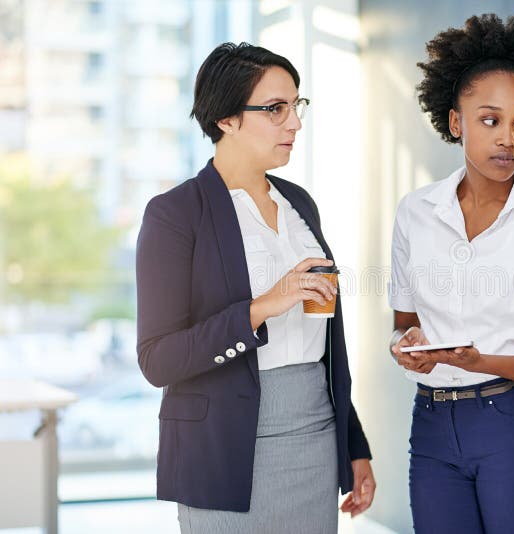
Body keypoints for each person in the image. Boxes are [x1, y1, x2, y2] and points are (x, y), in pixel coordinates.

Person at [136, 42, 374, 533]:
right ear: (225, 118)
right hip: (223, 447)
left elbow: (324, 345)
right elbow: (158, 360)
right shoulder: (175, 214)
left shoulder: (299, 205)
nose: (295, 123)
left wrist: (354, 445)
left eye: (296, 106)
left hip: (315, 436)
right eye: (274, 109)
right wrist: (262, 307)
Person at [388, 13, 514, 534]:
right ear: (456, 122)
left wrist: (481, 361)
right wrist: (405, 345)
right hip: (431, 432)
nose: (509, 139)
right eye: (489, 120)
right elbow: (403, 320)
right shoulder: (415, 211)